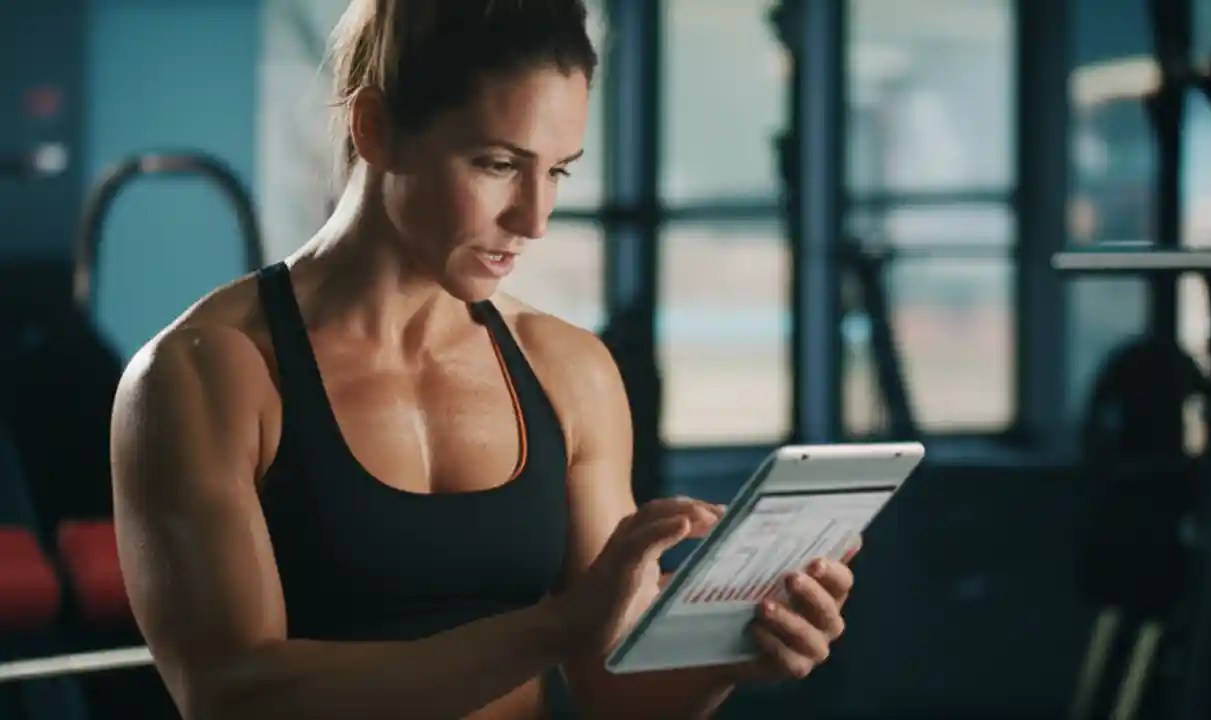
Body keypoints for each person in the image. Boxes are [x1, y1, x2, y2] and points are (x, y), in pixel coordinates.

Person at [109, 1, 859, 718]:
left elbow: (612, 693)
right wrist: (558, 627)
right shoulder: (206, 376)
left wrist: (734, 650)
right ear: (376, 128)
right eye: (499, 164)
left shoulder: (569, 371)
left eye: (558, 171)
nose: (534, 219)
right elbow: (234, 699)